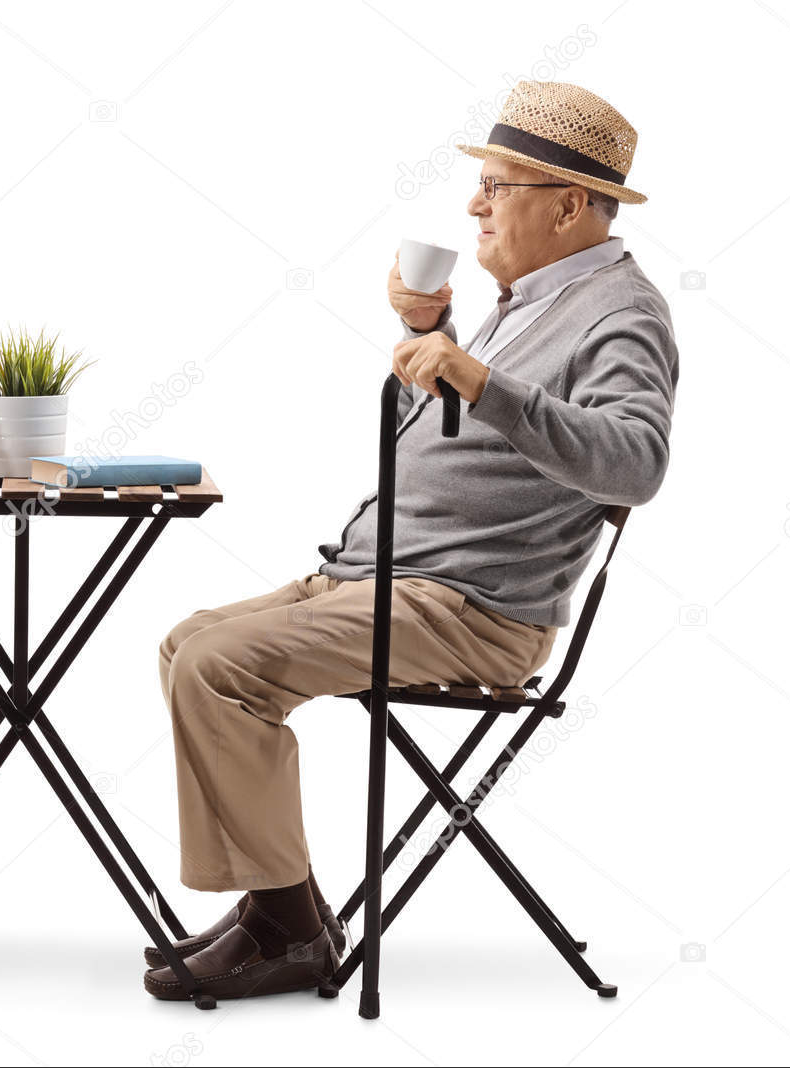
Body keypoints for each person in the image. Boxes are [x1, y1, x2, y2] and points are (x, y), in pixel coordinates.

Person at [147, 81, 677, 1001]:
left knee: (218, 665)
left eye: (497, 186)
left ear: (567, 204)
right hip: (379, 577)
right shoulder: (529, 298)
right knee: (188, 640)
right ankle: (290, 908)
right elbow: (453, 438)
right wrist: (427, 333)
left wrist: (478, 377)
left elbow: (636, 463)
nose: (474, 203)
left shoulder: (621, 311)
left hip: (472, 610)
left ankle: (285, 927)